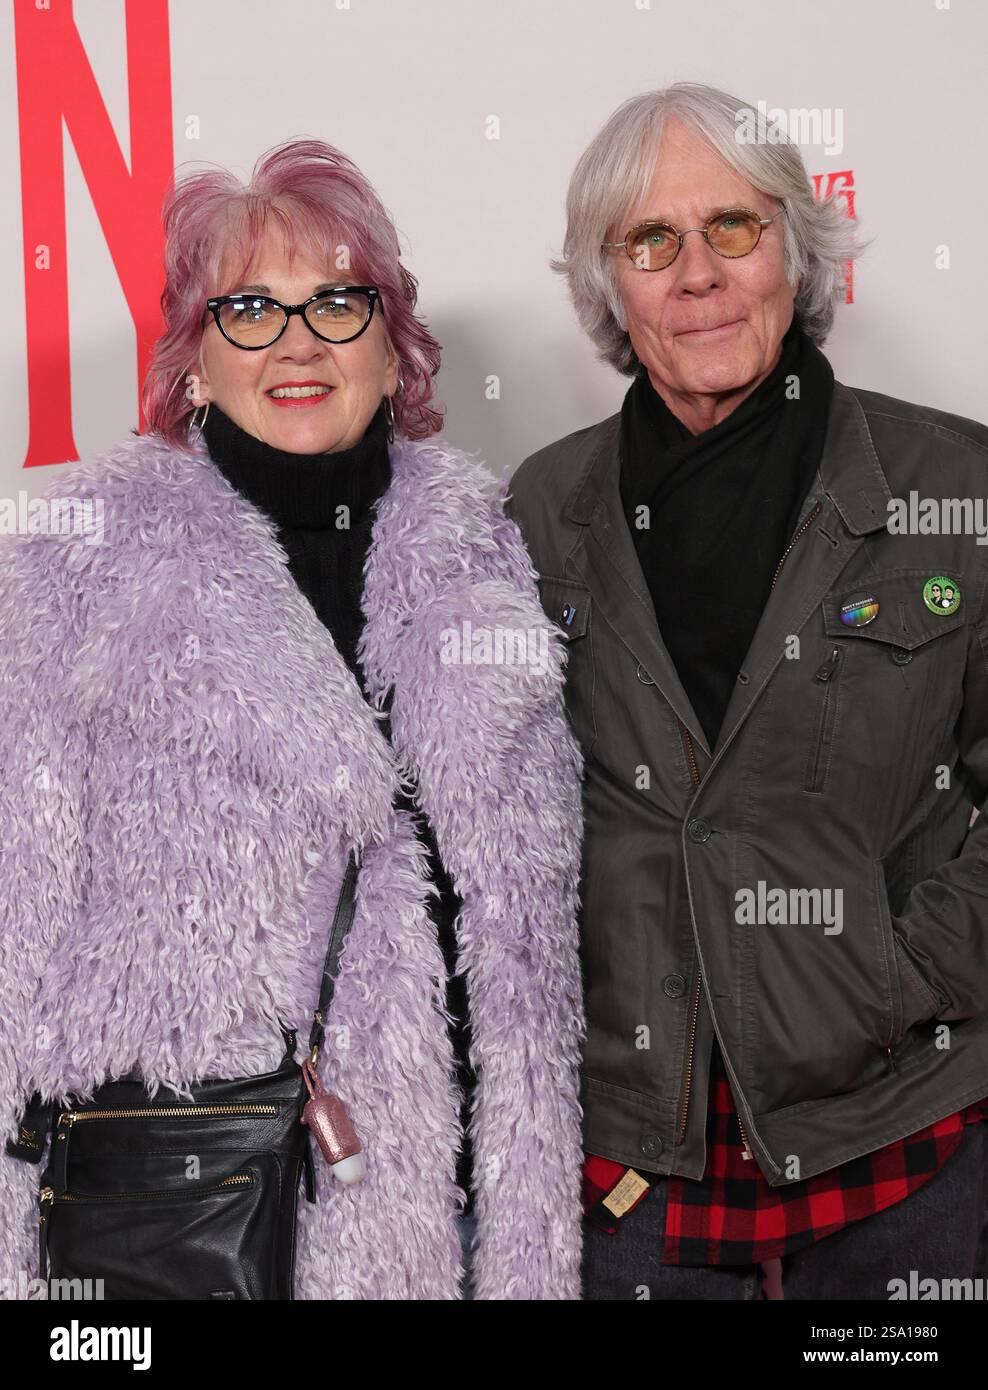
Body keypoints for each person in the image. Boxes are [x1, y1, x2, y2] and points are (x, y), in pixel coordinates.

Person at [0, 139, 585, 1300]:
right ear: (196, 357)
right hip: (189, 1228)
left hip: (452, 1227)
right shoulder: (73, 575)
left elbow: (529, 953)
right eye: (252, 308)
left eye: (336, 301)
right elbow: (9, 943)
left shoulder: (488, 558)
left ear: (392, 337)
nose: (301, 341)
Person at [505, 82, 988, 1300]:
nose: (696, 274)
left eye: (731, 226)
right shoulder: (529, 516)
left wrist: (902, 974)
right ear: (608, 285)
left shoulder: (955, 486)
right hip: (631, 1165)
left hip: (901, 1142)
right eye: (649, 241)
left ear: (795, 245)